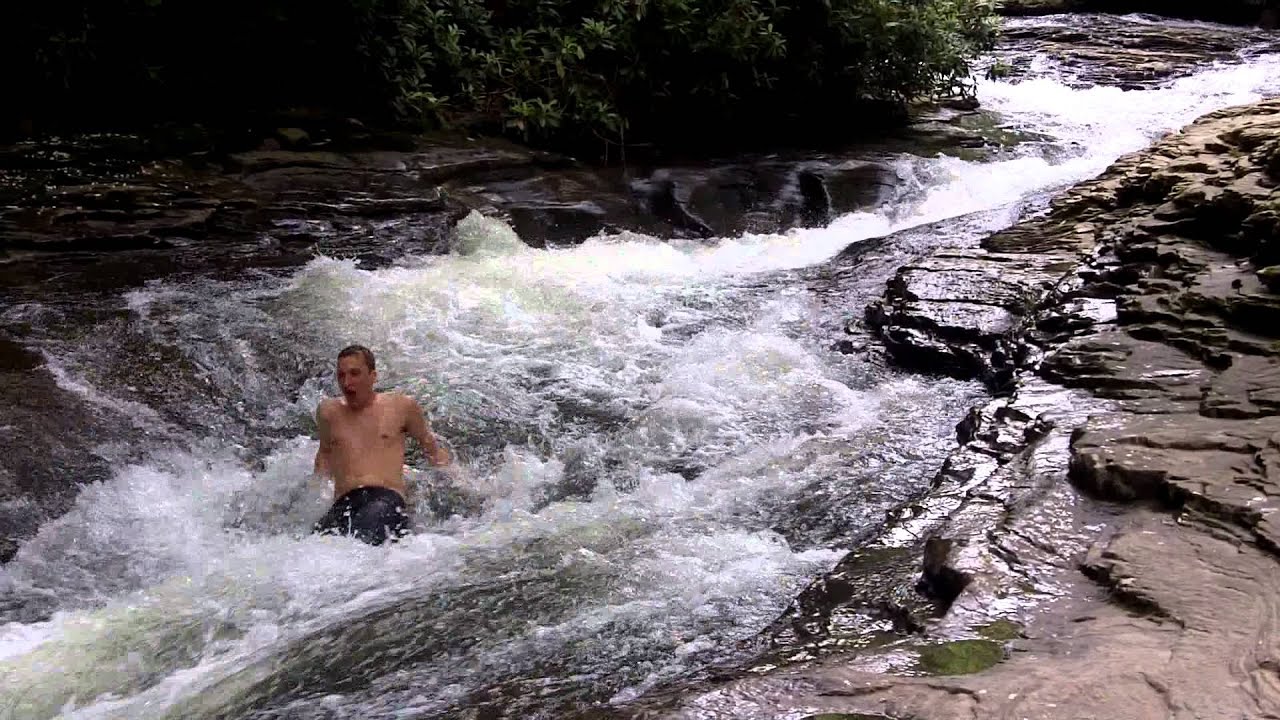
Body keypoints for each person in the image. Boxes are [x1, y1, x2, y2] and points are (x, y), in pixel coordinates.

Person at [311, 344, 453, 545]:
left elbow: (429, 446)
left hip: (385, 499)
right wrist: (312, 494)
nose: (347, 382)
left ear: (373, 376)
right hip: (344, 503)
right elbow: (325, 454)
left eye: (354, 374)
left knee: (358, 546)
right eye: (341, 375)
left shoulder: (401, 407)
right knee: (312, 551)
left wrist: (455, 480)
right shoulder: (328, 413)